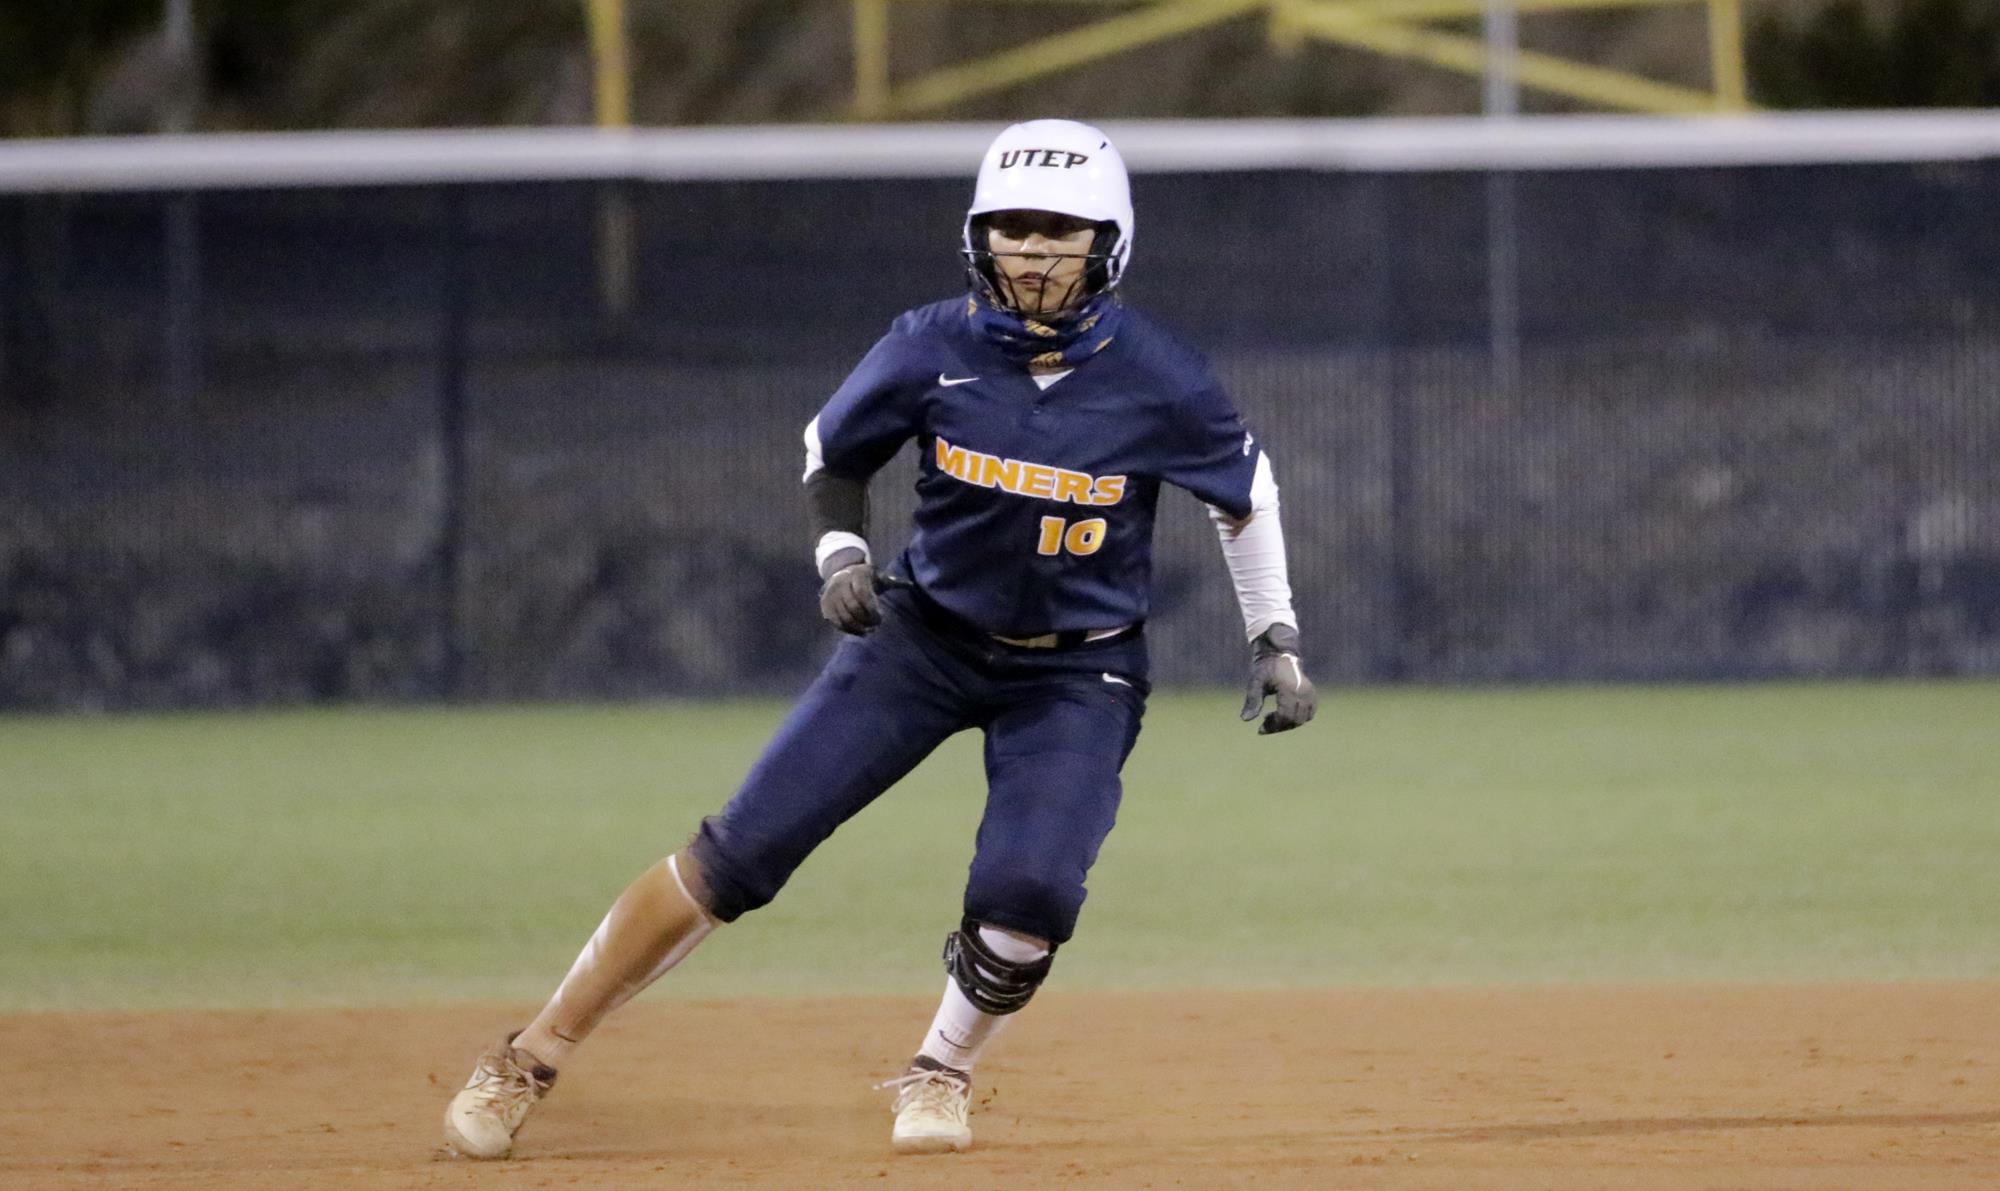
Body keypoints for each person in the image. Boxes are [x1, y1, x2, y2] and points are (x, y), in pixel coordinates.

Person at [441, 117, 1317, 1160]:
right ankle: (527, 1055)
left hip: (1078, 670)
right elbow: (833, 452)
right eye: (1013, 227)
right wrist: (840, 556)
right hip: (923, 641)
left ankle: (940, 1069)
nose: (1033, 251)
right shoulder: (928, 345)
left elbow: (1244, 496)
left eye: (1060, 229)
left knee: (1032, 891)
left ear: (1110, 242)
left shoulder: (1159, 374)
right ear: (977, 235)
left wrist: (1273, 632)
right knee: (740, 854)